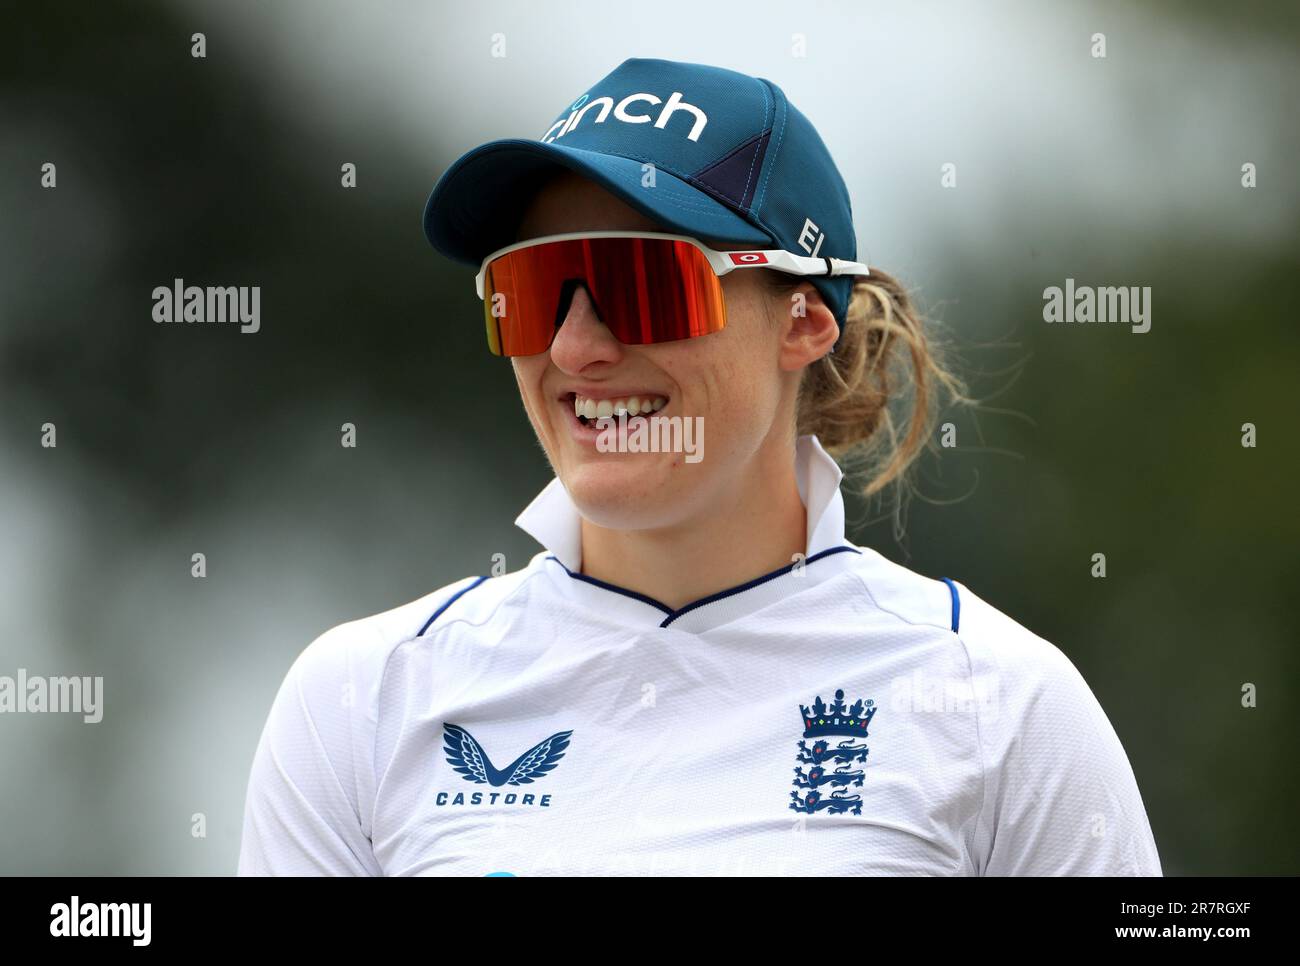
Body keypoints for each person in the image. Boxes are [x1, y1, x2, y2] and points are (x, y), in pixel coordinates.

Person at [236, 57, 1162, 876]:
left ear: (804, 319)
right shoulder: (361, 699)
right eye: (531, 290)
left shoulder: (1000, 703)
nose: (575, 349)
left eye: (644, 285)